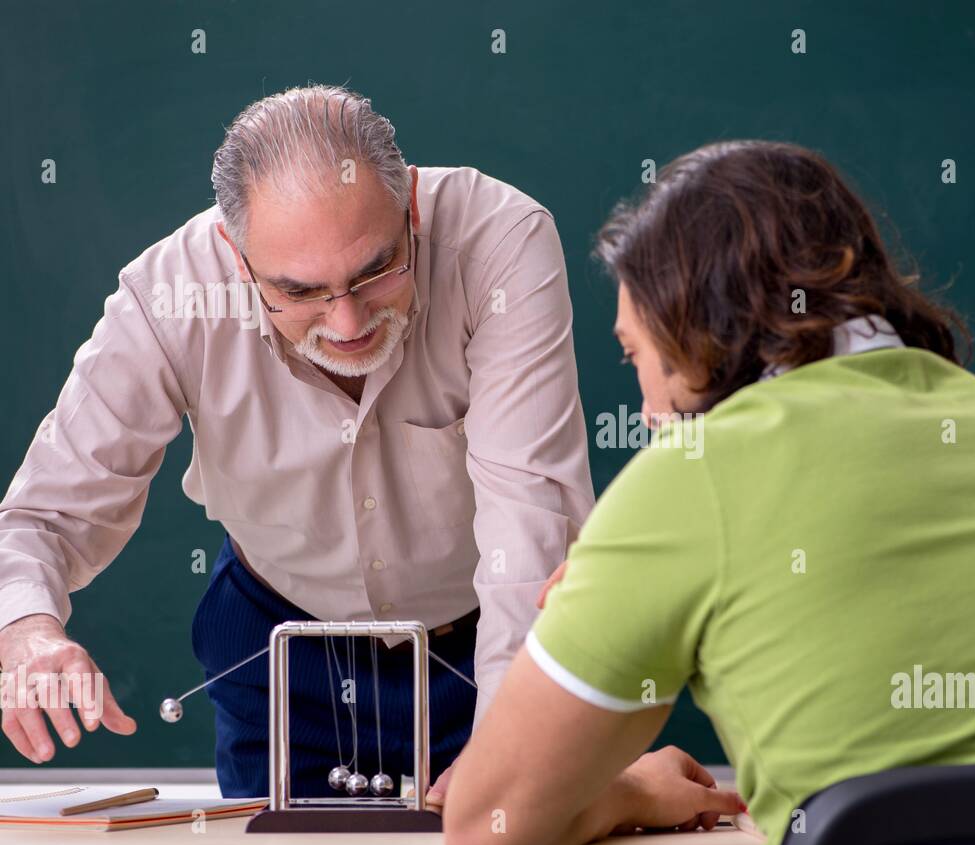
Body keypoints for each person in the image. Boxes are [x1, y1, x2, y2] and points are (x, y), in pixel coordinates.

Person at [442, 140, 975, 845]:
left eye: (637, 355)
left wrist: (630, 791)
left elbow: (484, 822)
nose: (647, 409)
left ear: (690, 329)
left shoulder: (697, 469)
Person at [0, 84, 604, 800]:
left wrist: (510, 743)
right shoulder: (168, 296)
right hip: (278, 646)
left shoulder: (500, 241)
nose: (347, 323)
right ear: (235, 254)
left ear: (410, 206)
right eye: (300, 292)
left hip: (490, 638)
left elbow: (529, 523)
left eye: (376, 271)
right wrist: (27, 630)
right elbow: (43, 519)